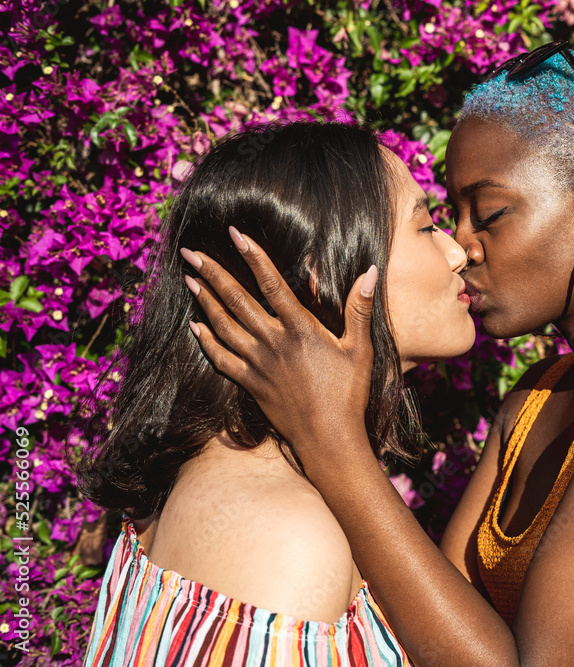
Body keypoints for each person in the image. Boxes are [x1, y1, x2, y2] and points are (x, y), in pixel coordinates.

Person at [184, 44, 574, 665]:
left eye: (489, 213)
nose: (462, 246)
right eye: (453, 214)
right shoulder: (538, 396)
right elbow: (433, 628)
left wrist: (332, 439)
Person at [78, 120, 477, 665]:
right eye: (425, 227)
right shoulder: (286, 540)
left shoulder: (199, 475)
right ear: (320, 274)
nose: (457, 252)